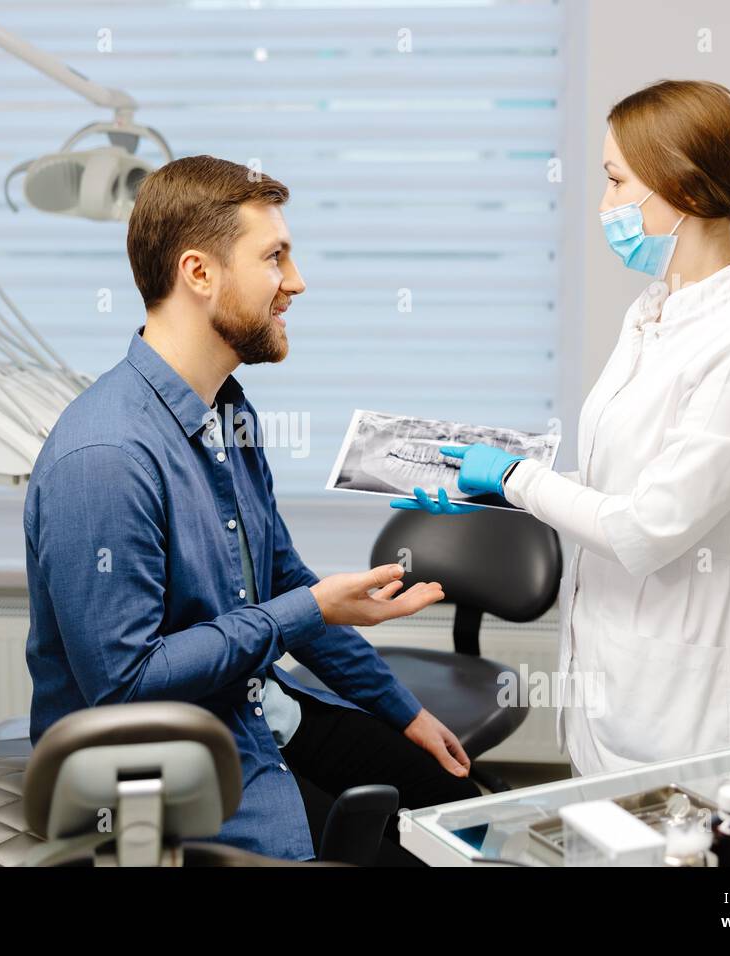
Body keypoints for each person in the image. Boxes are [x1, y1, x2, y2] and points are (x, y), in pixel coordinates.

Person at [24, 155, 483, 863]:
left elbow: (278, 583)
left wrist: (403, 711)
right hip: (168, 769)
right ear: (199, 274)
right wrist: (310, 610)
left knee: (469, 817)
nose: (295, 283)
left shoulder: (226, 413)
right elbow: (125, 687)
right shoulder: (108, 458)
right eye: (275, 258)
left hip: (260, 709)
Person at [396, 80, 730, 776]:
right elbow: (615, 488)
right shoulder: (653, 311)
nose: (604, 205)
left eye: (616, 180)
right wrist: (495, 492)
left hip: (692, 691)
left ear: (678, 186)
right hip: (611, 664)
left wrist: (516, 477)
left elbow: (645, 528)